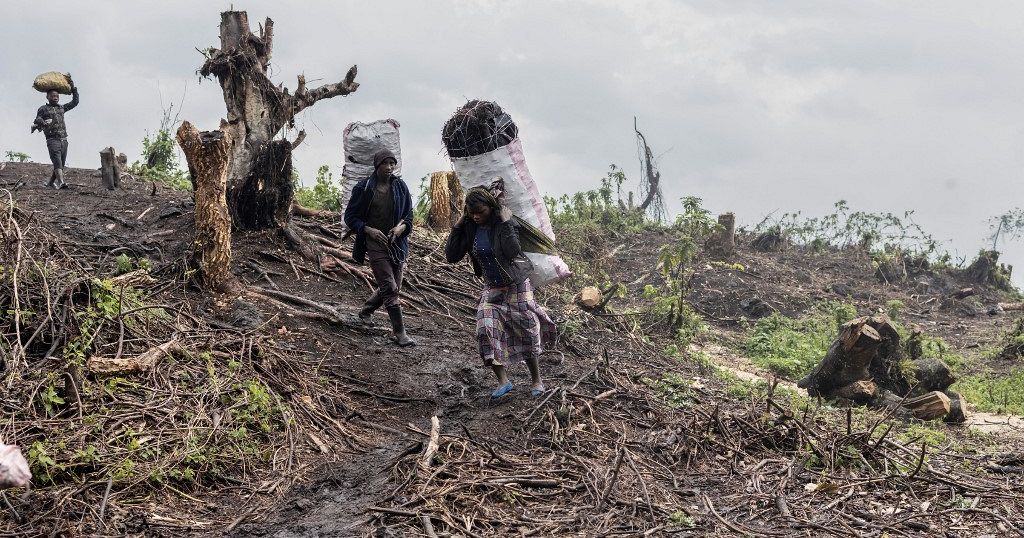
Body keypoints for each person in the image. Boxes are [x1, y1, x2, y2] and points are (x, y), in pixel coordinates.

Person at [445, 187, 556, 399]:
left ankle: (536, 380)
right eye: (472, 212)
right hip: (493, 288)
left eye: (481, 212)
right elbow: (451, 255)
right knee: (485, 328)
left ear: (492, 208)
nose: (476, 216)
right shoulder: (470, 227)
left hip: (516, 284)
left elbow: (513, 251)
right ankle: (504, 381)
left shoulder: (503, 223)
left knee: (527, 330)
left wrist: (506, 223)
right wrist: (458, 225)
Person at [343, 149, 416, 347]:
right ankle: (400, 333)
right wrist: (368, 230)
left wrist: (400, 228)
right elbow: (350, 217)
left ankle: (366, 310)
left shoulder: (400, 186)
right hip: (375, 244)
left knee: (395, 287)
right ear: (377, 166)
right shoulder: (364, 188)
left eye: (393, 164)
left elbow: (409, 215)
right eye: (386, 164)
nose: (390, 167)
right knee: (390, 288)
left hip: (397, 243)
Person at [31, 75, 79, 190]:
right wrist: (43, 122)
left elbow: (75, 102)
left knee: (60, 163)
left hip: (64, 139)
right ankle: (62, 183)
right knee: (57, 161)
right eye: (53, 96)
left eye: (57, 96)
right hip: (52, 139)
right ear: (47, 97)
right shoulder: (43, 108)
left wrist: (73, 89)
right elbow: (37, 119)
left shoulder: (61, 108)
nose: (55, 98)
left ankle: (50, 183)